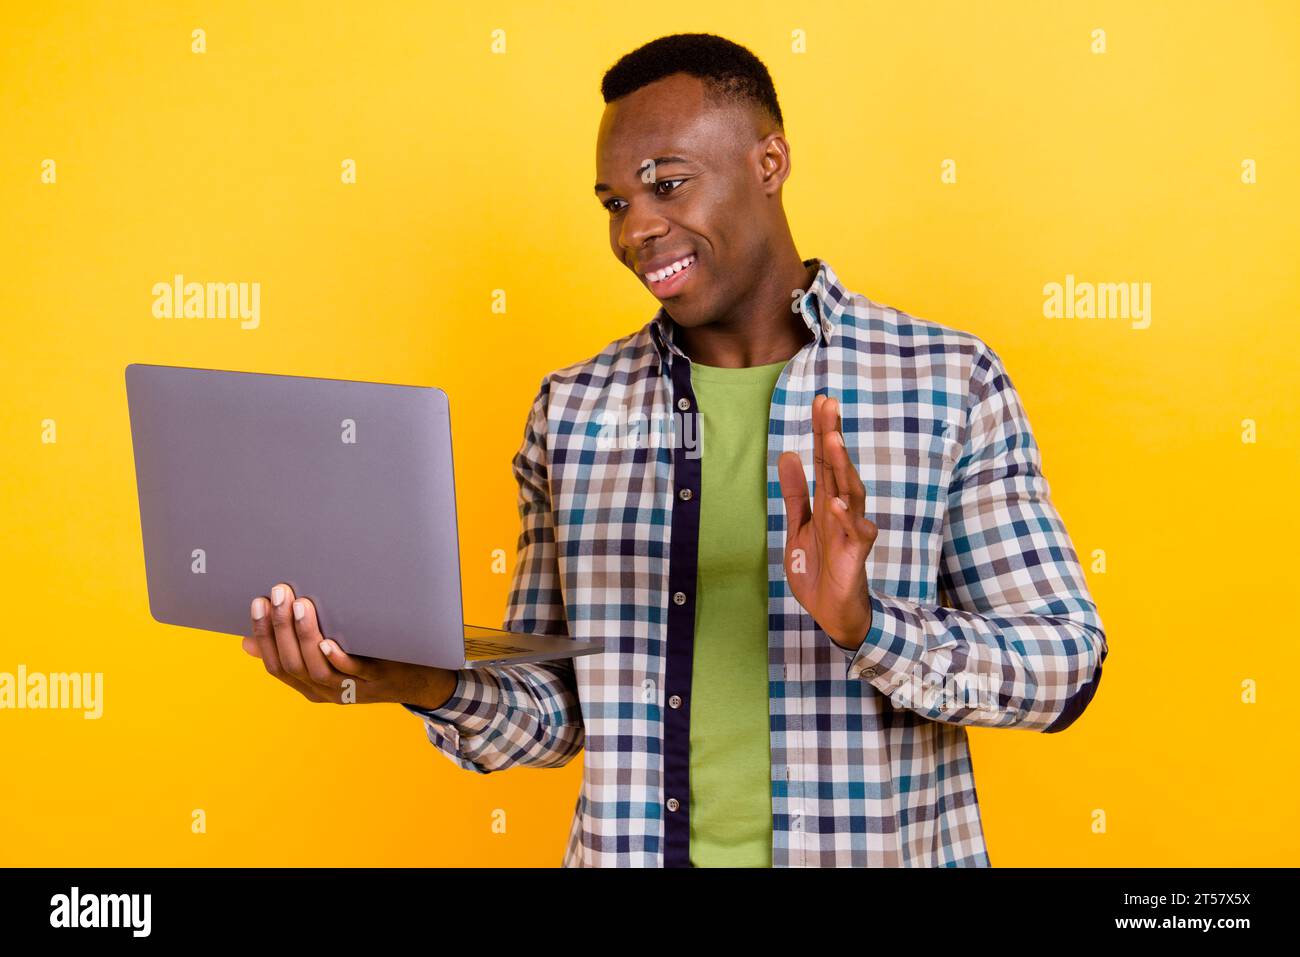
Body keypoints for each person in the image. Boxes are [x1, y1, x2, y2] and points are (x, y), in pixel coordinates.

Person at [242, 32, 1107, 868]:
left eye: (667, 185)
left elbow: (1065, 666)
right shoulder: (574, 411)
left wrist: (867, 625)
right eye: (616, 203)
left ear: (769, 164)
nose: (634, 231)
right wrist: (413, 679)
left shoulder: (945, 381)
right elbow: (555, 710)